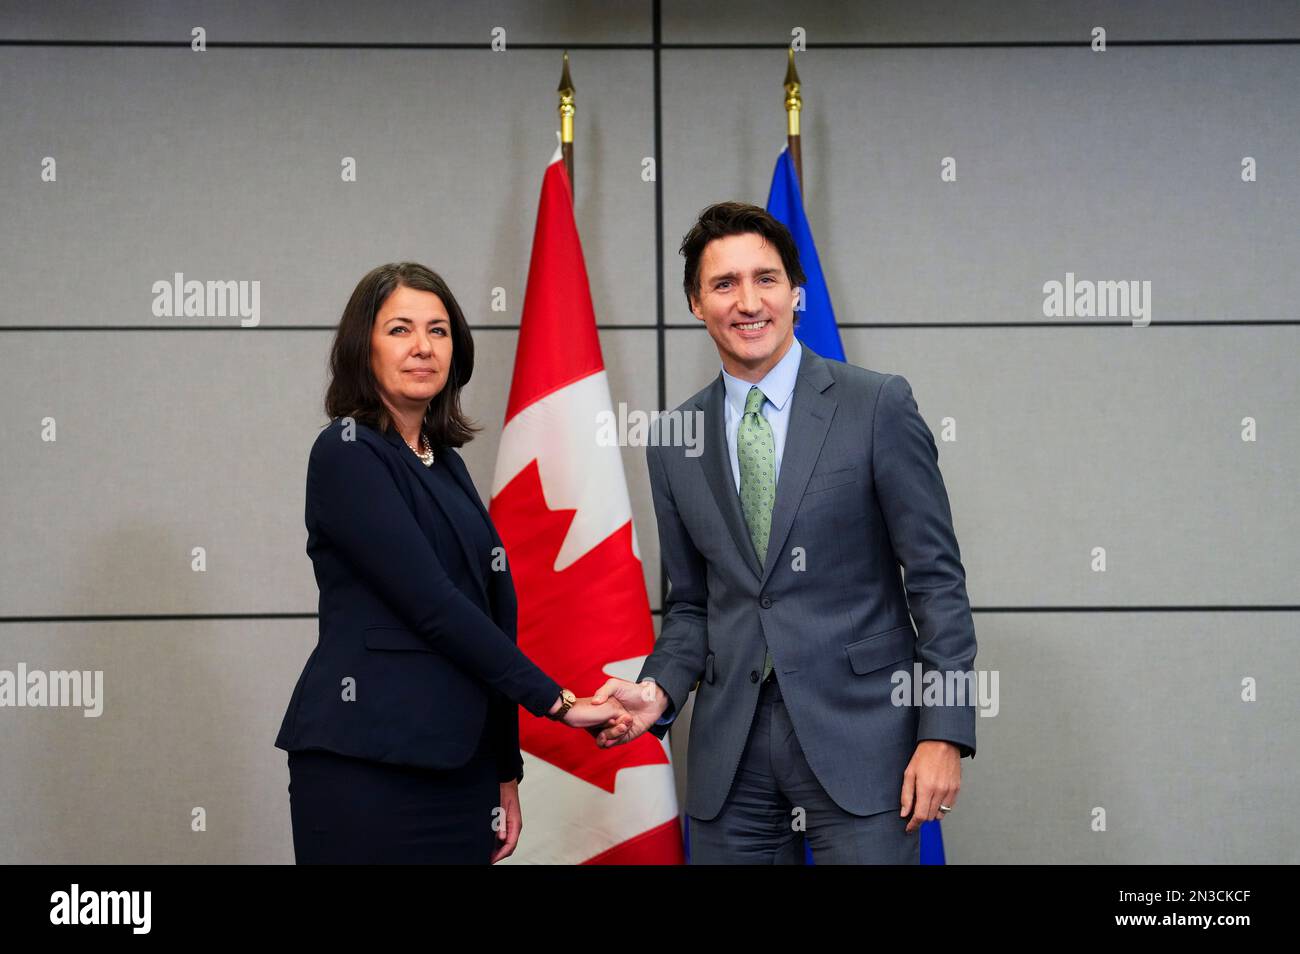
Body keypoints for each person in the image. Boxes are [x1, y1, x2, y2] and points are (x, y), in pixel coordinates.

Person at [591, 203, 977, 864]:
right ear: (694, 302)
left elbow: (937, 582)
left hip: (864, 744)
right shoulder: (673, 442)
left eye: (766, 279)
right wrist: (656, 690)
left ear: (795, 294)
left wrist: (943, 732)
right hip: (730, 760)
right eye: (724, 284)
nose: (748, 302)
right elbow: (692, 606)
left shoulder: (877, 406)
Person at [274, 262, 631, 864]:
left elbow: (489, 619)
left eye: (438, 331)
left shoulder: (447, 464)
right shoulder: (346, 452)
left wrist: (504, 769)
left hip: (461, 772)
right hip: (367, 765)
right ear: (364, 348)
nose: (422, 347)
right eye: (400, 330)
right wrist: (559, 702)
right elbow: (434, 605)